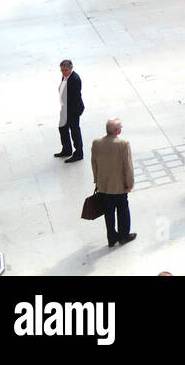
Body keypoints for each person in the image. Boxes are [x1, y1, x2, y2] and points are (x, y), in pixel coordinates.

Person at [90, 118, 136, 247]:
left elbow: (94, 163)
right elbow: (127, 167)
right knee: (123, 210)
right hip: (119, 186)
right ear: (116, 130)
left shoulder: (96, 143)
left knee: (108, 212)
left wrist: (97, 180)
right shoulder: (123, 144)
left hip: (104, 186)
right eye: (120, 127)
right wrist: (129, 184)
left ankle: (111, 237)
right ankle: (123, 236)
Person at [55, 59, 85, 162]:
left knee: (74, 131)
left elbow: (74, 97)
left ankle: (78, 153)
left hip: (73, 109)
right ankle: (67, 149)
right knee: (62, 128)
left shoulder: (75, 79)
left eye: (66, 70)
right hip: (65, 108)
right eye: (62, 70)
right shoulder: (65, 76)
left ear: (71, 68)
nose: (63, 72)